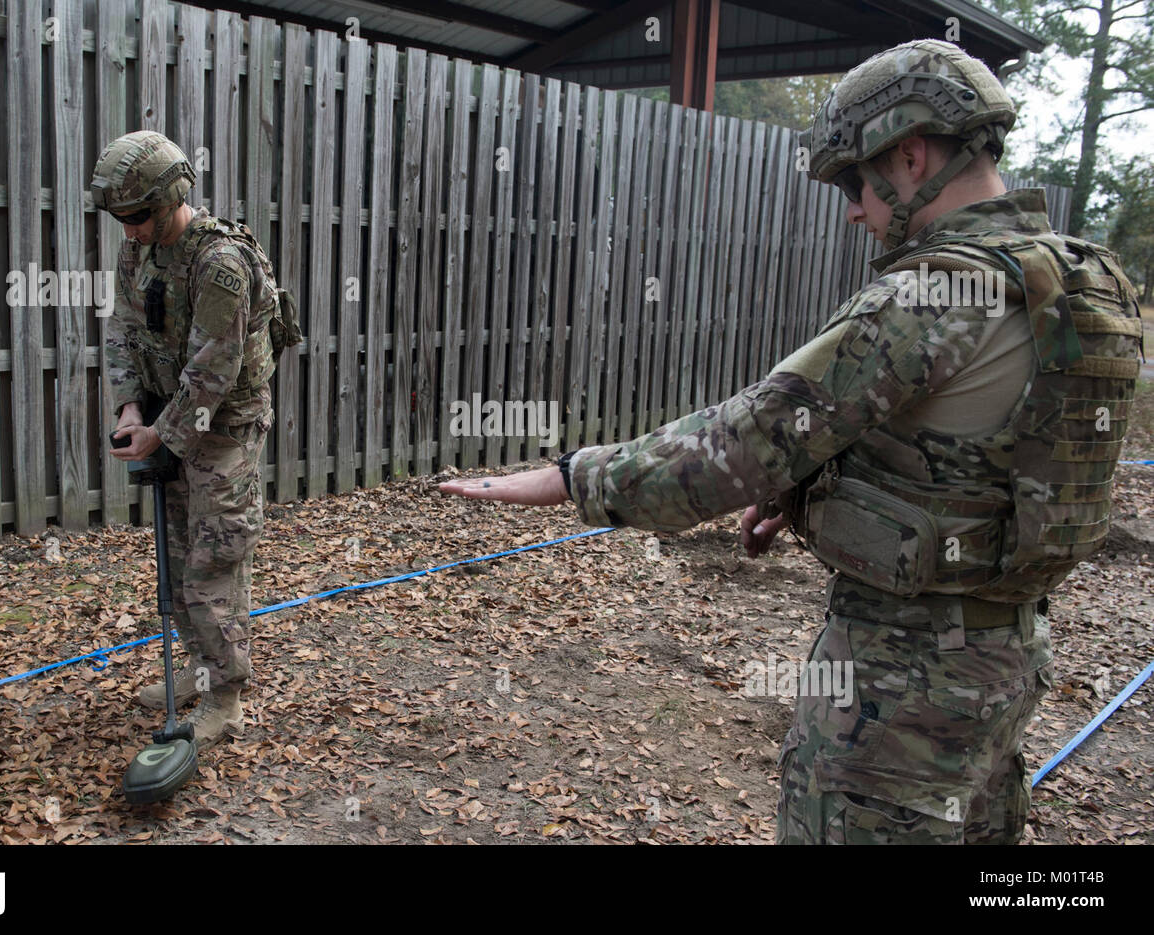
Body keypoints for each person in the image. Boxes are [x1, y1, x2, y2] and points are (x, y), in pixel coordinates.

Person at [439, 39, 1143, 843]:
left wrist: (573, 474)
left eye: (855, 179)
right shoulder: (1088, 281)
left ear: (911, 155)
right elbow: (984, 457)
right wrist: (803, 493)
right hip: (1006, 658)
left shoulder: (935, 293)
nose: (853, 207)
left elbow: (739, 441)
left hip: (898, 684)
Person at [93, 130, 299, 748]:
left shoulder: (221, 264)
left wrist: (160, 432)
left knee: (215, 560)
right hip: (168, 422)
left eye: (137, 217)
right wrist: (132, 409)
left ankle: (227, 697)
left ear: (169, 199)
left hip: (223, 431)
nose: (128, 231)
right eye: (120, 220)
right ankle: (198, 668)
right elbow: (125, 330)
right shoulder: (139, 252)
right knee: (179, 554)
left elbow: (216, 366)